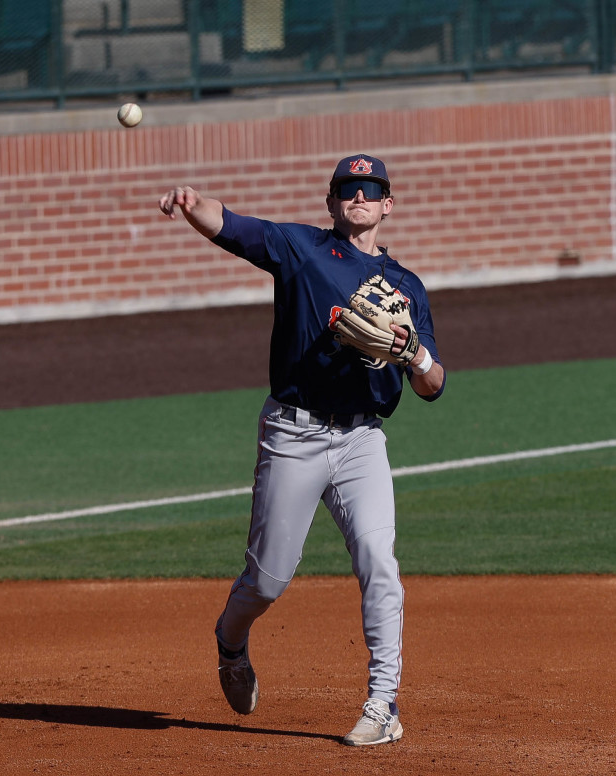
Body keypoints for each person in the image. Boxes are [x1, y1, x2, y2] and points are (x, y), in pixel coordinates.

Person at [159, 154, 445, 746]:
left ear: (388, 203)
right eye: (346, 190)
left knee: (378, 560)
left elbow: (432, 386)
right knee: (266, 582)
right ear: (331, 203)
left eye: (369, 191)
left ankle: (383, 702)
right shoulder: (301, 250)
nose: (358, 198)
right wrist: (192, 203)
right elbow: (232, 225)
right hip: (293, 435)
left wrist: (414, 354)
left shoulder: (409, 288)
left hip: (363, 438)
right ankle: (231, 643)